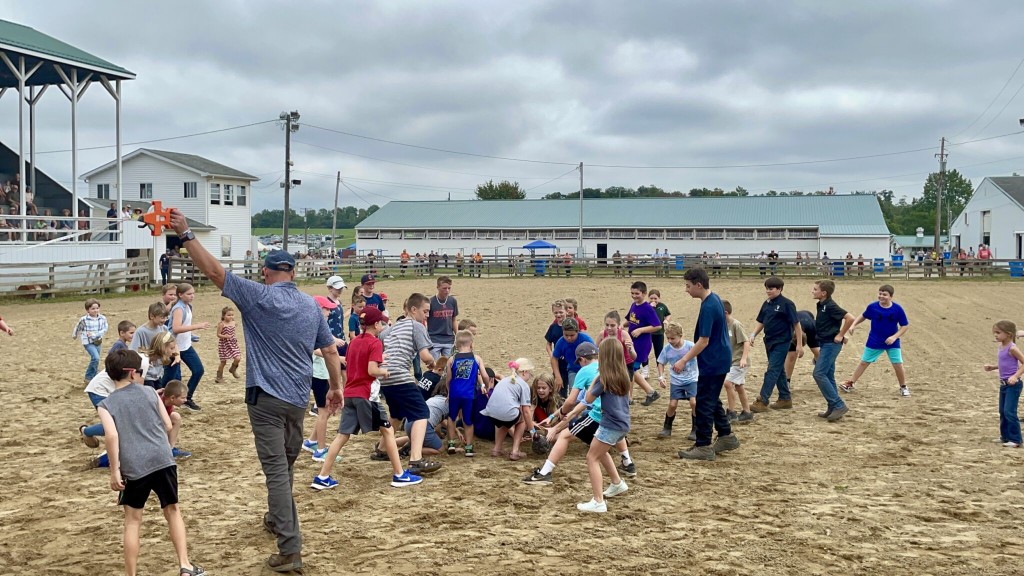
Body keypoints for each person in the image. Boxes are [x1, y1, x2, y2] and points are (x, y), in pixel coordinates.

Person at [167, 208, 343, 572]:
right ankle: (277, 519)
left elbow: (215, 272)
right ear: (293, 273)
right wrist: (336, 388)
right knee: (286, 465)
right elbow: (329, 349)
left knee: (277, 471)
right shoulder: (311, 306)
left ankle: (290, 548)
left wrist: (185, 235)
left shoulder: (258, 296)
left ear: (266, 271)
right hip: (298, 398)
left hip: (265, 398)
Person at [96, 349, 205, 576]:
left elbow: (112, 437)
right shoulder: (149, 393)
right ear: (132, 373)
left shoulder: (105, 405)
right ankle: (185, 565)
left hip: (134, 467)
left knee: (133, 521)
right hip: (163, 459)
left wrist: (114, 471)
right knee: (173, 510)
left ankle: (131, 574)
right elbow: (167, 425)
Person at [524, 341, 636, 485]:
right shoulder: (619, 372)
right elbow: (581, 401)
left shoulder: (590, 372)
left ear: (582, 359)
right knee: (597, 447)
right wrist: (555, 416)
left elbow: (574, 401)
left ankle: (545, 473)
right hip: (619, 418)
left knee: (566, 437)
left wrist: (560, 420)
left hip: (599, 416)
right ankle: (622, 473)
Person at [676, 267, 740, 461]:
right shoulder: (715, 299)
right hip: (718, 358)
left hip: (713, 361)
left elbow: (704, 340)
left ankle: (703, 445)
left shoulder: (709, 306)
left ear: (698, 284)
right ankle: (726, 435)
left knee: (704, 402)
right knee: (711, 399)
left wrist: (683, 359)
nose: (686, 290)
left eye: (688, 286)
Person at [378, 293, 443, 476]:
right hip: (400, 375)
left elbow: (382, 346)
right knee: (422, 413)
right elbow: (425, 356)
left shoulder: (390, 328)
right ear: (414, 309)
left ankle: (382, 449)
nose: (427, 315)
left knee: (397, 415)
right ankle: (415, 459)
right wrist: (432, 363)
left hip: (385, 376)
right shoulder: (417, 326)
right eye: (425, 311)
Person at [575, 338, 632, 513]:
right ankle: (616, 484)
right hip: (622, 423)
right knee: (600, 451)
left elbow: (588, 399)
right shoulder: (623, 375)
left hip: (610, 424)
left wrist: (594, 381)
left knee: (591, 458)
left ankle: (598, 501)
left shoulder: (604, 378)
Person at [841, 284, 911, 397]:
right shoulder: (873, 307)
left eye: (885, 294)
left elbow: (905, 326)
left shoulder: (897, 309)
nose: (881, 296)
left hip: (892, 342)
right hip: (874, 340)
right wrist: (853, 325)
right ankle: (850, 383)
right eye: (880, 294)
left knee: (897, 364)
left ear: (891, 296)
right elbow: (863, 316)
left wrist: (894, 337)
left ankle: (903, 387)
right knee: (864, 362)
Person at [749, 276, 802, 413]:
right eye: (766, 288)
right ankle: (785, 398)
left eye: (771, 289)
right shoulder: (766, 303)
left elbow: (796, 324)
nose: (768, 291)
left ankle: (763, 400)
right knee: (779, 371)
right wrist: (753, 334)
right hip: (769, 341)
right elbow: (761, 321)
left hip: (782, 342)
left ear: (780, 289)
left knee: (772, 370)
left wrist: (799, 345)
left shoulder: (787, 304)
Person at [810, 280, 855, 422]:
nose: (813, 291)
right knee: (828, 375)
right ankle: (832, 407)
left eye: (815, 289)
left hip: (831, 344)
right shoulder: (821, 305)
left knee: (818, 373)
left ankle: (838, 404)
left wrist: (841, 335)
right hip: (824, 343)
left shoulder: (830, 305)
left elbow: (850, 318)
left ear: (823, 293)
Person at [304, 296, 341, 462]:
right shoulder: (315, 324)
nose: (329, 312)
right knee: (323, 411)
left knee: (322, 410)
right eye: (326, 309)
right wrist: (338, 359)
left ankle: (312, 441)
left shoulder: (312, 323)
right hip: (318, 374)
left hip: (319, 372)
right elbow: (316, 349)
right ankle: (320, 450)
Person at [443, 330, 488, 457]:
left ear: (456, 345)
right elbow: (484, 375)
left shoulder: (451, 359)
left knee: (452, 417)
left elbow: (448, 379)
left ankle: (451, 443)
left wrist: (449, 392)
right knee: (468, 420)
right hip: (469, 395)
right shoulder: (476, 358)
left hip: (455, 394)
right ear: (471, 344)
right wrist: (486, 385)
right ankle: (468, 447)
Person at [480, 358, 536, 460]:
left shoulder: (505, 380)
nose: (530, 376)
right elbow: (526, 411)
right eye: (530, 373)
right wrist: (532, 430)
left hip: (491, 413)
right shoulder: (523, 385)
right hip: (504, 414)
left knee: (504, 420)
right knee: (521, 418)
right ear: (524, 372)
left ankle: (496, 449)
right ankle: (515, 451)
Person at [167, 284, 209, 410]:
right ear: (180, 295)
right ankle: (163, 401)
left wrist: (191, 335)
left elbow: (184, 326)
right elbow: (176, 328)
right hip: (173, 348)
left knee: (198, 370)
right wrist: (197, 326)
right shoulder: (179, 308)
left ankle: (187, 398)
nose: (192, 296)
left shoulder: (188, 306)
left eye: (193, 293)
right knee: (170, 377)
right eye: (189, 294)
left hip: (185, 346)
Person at [656, 322, 699, 440]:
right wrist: (661, 377)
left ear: (681, 336)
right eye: (668, 338)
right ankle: (667, 427)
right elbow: (661, 362)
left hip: (692, 379)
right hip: (676, 381)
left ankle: (696, 428)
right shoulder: (667, 349)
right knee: (672, 404)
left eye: (672, 338)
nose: (670, 341)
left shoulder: (690, 346)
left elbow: (701, 355)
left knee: (694, 402)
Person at [985, 321, 1024, 448]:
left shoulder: (1012, 348)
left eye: (998, 333)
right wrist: (993, 367)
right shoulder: (1001, 347)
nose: (995, 335)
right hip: (1004, 384)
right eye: (994, 333)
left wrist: (1015, 376)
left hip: (1013, 385)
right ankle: (1005, 436)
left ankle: (1016, 439)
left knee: (1009, 411)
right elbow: (1005, 363)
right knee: (1002, 411)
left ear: (1009, 334)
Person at [626, 281, 662, 405]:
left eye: (637, 293)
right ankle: (651, 392)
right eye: (632, 293)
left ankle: (629, 398)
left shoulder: (647, 309)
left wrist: (641, 330)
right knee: (632, 370)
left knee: (631, 369)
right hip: (632, 342)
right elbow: (629, 319)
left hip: (641, 344)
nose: (634, 296)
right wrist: (619, 327)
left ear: (644, 293)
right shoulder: (634, 305)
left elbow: (657, 326)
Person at [722, 300, 753, 423]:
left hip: (739, 361)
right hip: (730, 361)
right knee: (739, 387)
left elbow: (746, 342)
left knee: (728, 383)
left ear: (725, 313)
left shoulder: (736, 325)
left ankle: (731, 412)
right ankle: (747, 412)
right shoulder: (722, 325)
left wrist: (744, 358)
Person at [550, 318, 596, 399]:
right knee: (573, 392)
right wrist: (557, 376)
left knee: (591, 391)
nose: (569, 338)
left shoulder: (586, 339)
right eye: (566, 335)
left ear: (577, 331)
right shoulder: (561, 342)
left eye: (572, 335)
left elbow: (596, 355)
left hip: (588, 369)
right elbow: (554, 358)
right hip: (573, 370)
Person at [73, 298, 108, 384]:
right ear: (87, 310)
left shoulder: (102, 318)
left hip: (98, 341)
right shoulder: (84, 320)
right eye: (93, 308)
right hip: (88, 342)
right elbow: (78, 328)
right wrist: (75, 335)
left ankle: (94, 375)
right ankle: (88, 376)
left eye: (97, 308)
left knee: (96, 359)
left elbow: (105, 328)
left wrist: (96, 335)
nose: (96, 310)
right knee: (95, 357)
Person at [157, 379, 192, 459]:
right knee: (166, 424)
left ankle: (171, 449)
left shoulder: (168, 403)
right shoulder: (157, 403)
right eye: (183, 398)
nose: (185, 400)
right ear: (172, 398)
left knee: (175, 417)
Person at [784, 310, 820, 384]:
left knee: (819, 353)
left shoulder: (812, 326)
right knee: (791, 356)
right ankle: (786, 381)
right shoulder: (787, 329)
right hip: (793, 328)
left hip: (808, 317)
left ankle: (816, 361)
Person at [428, 276, 459, 359]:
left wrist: (458, 334)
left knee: (449, 365)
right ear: (438, 287)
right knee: (435, 366)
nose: (447, 291)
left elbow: (454, 319)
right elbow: (425, 320)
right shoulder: (430, 302)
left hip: (449, 339)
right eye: (444, 288)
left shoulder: (452, 301)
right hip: (434, 339)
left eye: (449, 288)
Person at [544, 300, 569, 392]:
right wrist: (552, 355)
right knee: (559, 389)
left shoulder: (572, 325)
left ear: (566, 311)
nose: (558, 315)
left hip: (571, 362)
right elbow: (548, 344)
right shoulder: (553, 327)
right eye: (556, 312)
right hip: (558, 363)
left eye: (561, 312)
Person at [215, 307, 242, 383]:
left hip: (233, 343)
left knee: (238, 358)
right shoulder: (221, 324)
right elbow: (218, 334)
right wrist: (225, 336)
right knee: (223, 361)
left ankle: (233, 369)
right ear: (223, 316)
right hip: (224, 344)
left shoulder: (233, 322)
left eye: (232, 315)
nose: (231, 317)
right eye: (228, 315)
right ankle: (219, 377)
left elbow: (233, 331)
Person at [649, 289, 672, 361]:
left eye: (655, 298)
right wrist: (650, 307)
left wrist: (666, 320)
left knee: (659, 352)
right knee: (645, 351)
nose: (653, 300)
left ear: (659, 298)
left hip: (659, 333)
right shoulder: (646, 306)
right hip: (648, 333)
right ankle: (645, 369)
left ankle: (660, 369)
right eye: (651, 298)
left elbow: (668, 314)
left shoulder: (662, 306)